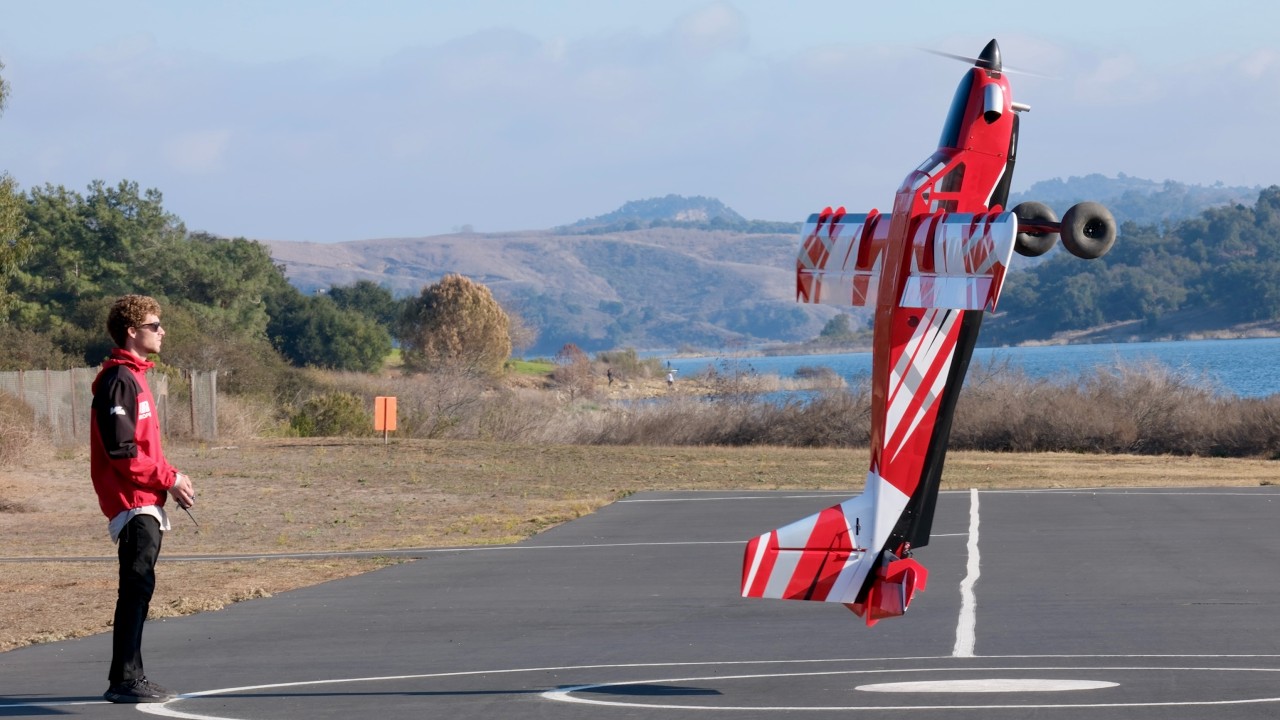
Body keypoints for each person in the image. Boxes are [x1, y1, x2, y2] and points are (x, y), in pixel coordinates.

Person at [90, 295, 195, 704]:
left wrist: (171, 481)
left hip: (146, 499)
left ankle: (129, 676)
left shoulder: (136, 376)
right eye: (155, 325)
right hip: (132, 501)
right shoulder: (119, 378)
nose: (162, 331)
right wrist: (169, 478)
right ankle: (125, 680)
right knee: (135, 588)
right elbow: (122, 451)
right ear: (133, 332)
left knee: (140, 587)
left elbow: (145, 447)